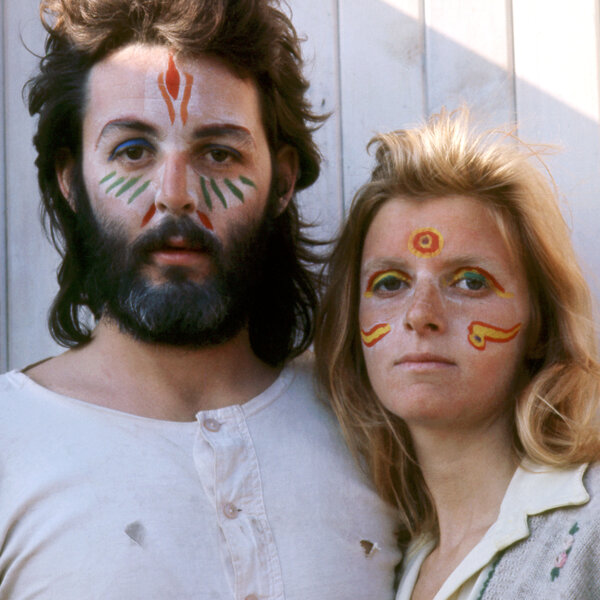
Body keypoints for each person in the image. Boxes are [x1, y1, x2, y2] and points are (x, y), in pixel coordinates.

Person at [0, 1, 401, 597]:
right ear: (71, 181)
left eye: (218, 153)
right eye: (132, 151)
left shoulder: (376, 426)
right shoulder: (9, 443)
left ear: (282, 181)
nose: (175, 195)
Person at [315, 110, 600, 599]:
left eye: (469, 281)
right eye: (390, 283)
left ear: (539, 325)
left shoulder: (590, 527)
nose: (420, 314)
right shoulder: (389, 566)